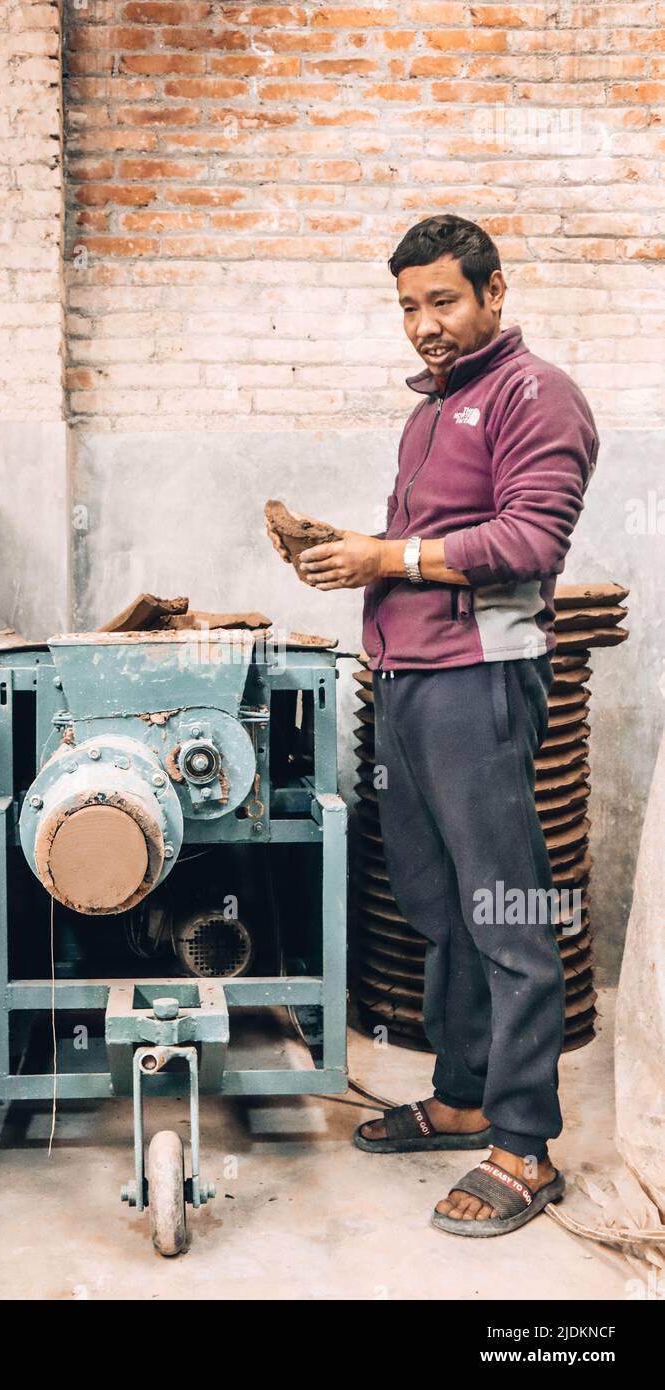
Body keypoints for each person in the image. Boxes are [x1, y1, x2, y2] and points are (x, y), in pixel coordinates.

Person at [276, 214, 599, 1236]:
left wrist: (386, 558)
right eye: (408, 305)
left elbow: (529, 538)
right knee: (440, 907)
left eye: (442, 301)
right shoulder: (429, 412)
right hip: (407, 679)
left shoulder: (531, 393)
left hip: (480, 680)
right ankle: (461, 1095)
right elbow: (423, 543)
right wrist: (349, 549)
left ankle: (521, 1143)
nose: (422, 323)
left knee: (505, 910)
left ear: (494, 292)